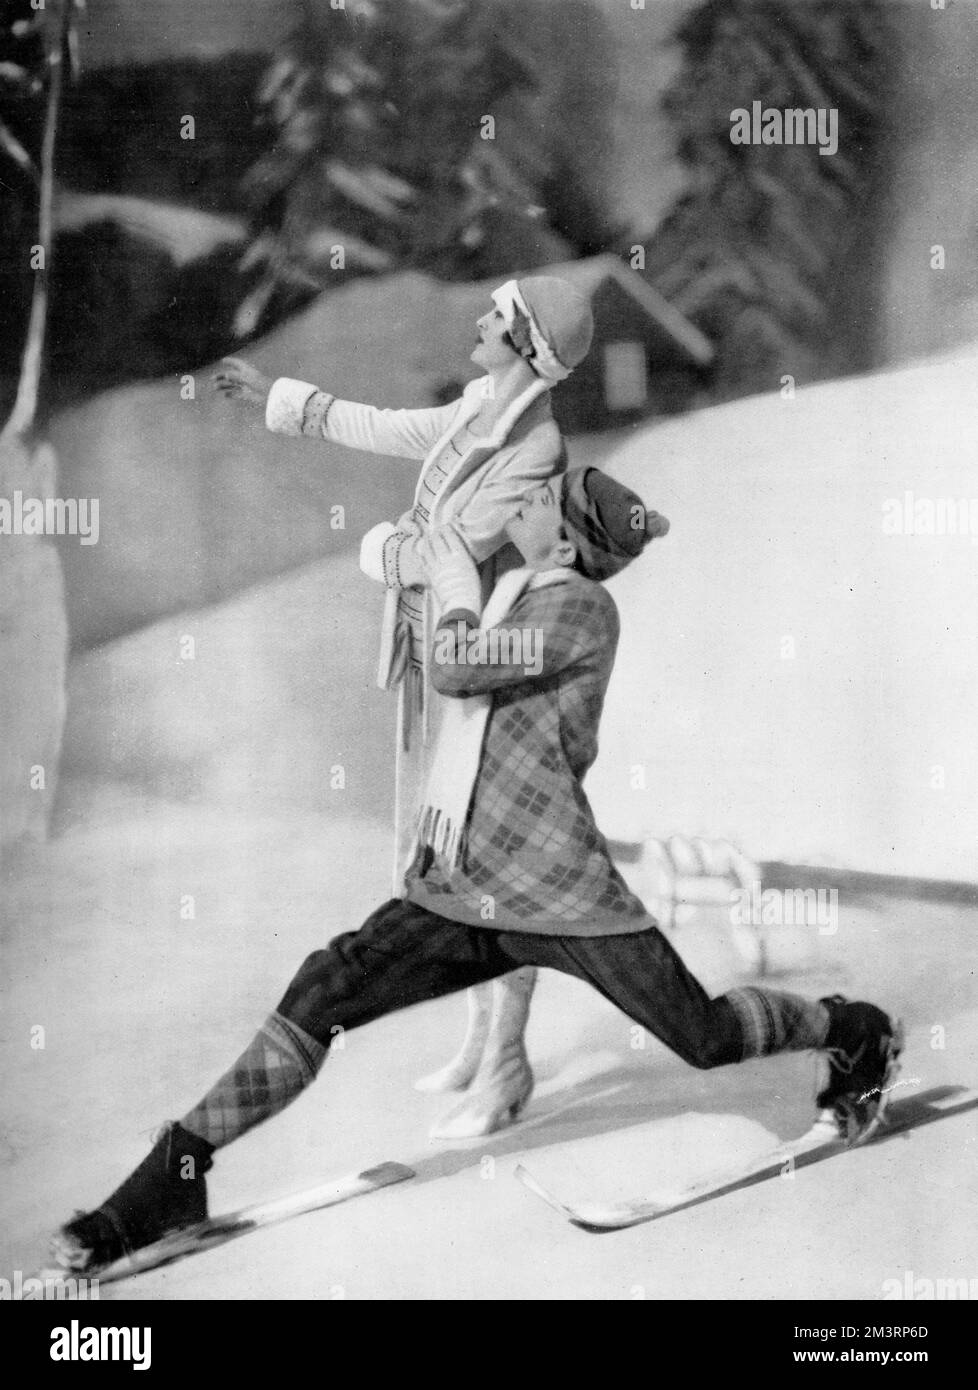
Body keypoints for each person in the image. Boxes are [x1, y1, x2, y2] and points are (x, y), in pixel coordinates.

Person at [51, 467, 901, 1271]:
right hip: (466, 883)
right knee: (322, 990)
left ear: (565, 544)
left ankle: (853, 1028)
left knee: (704, 1037)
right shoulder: (520, 588)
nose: (521, 502)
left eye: (538, 501)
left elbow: (460, 665)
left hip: (556, 891)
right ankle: (174, 1176)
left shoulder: (581, 609)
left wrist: (452, 580)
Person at [214, 276, 595, 1138]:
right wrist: (278, 399)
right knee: (439, 861)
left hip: (485, 671)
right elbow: (389, 429)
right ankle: (479, 1038)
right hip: (435, 661)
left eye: (497, 317)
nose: (479, 320)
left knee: (485, 868)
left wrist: (385, 552)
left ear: (531, 347)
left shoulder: (532, 445)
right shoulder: (481, 406)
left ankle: (507, 1064)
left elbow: (450, 551)